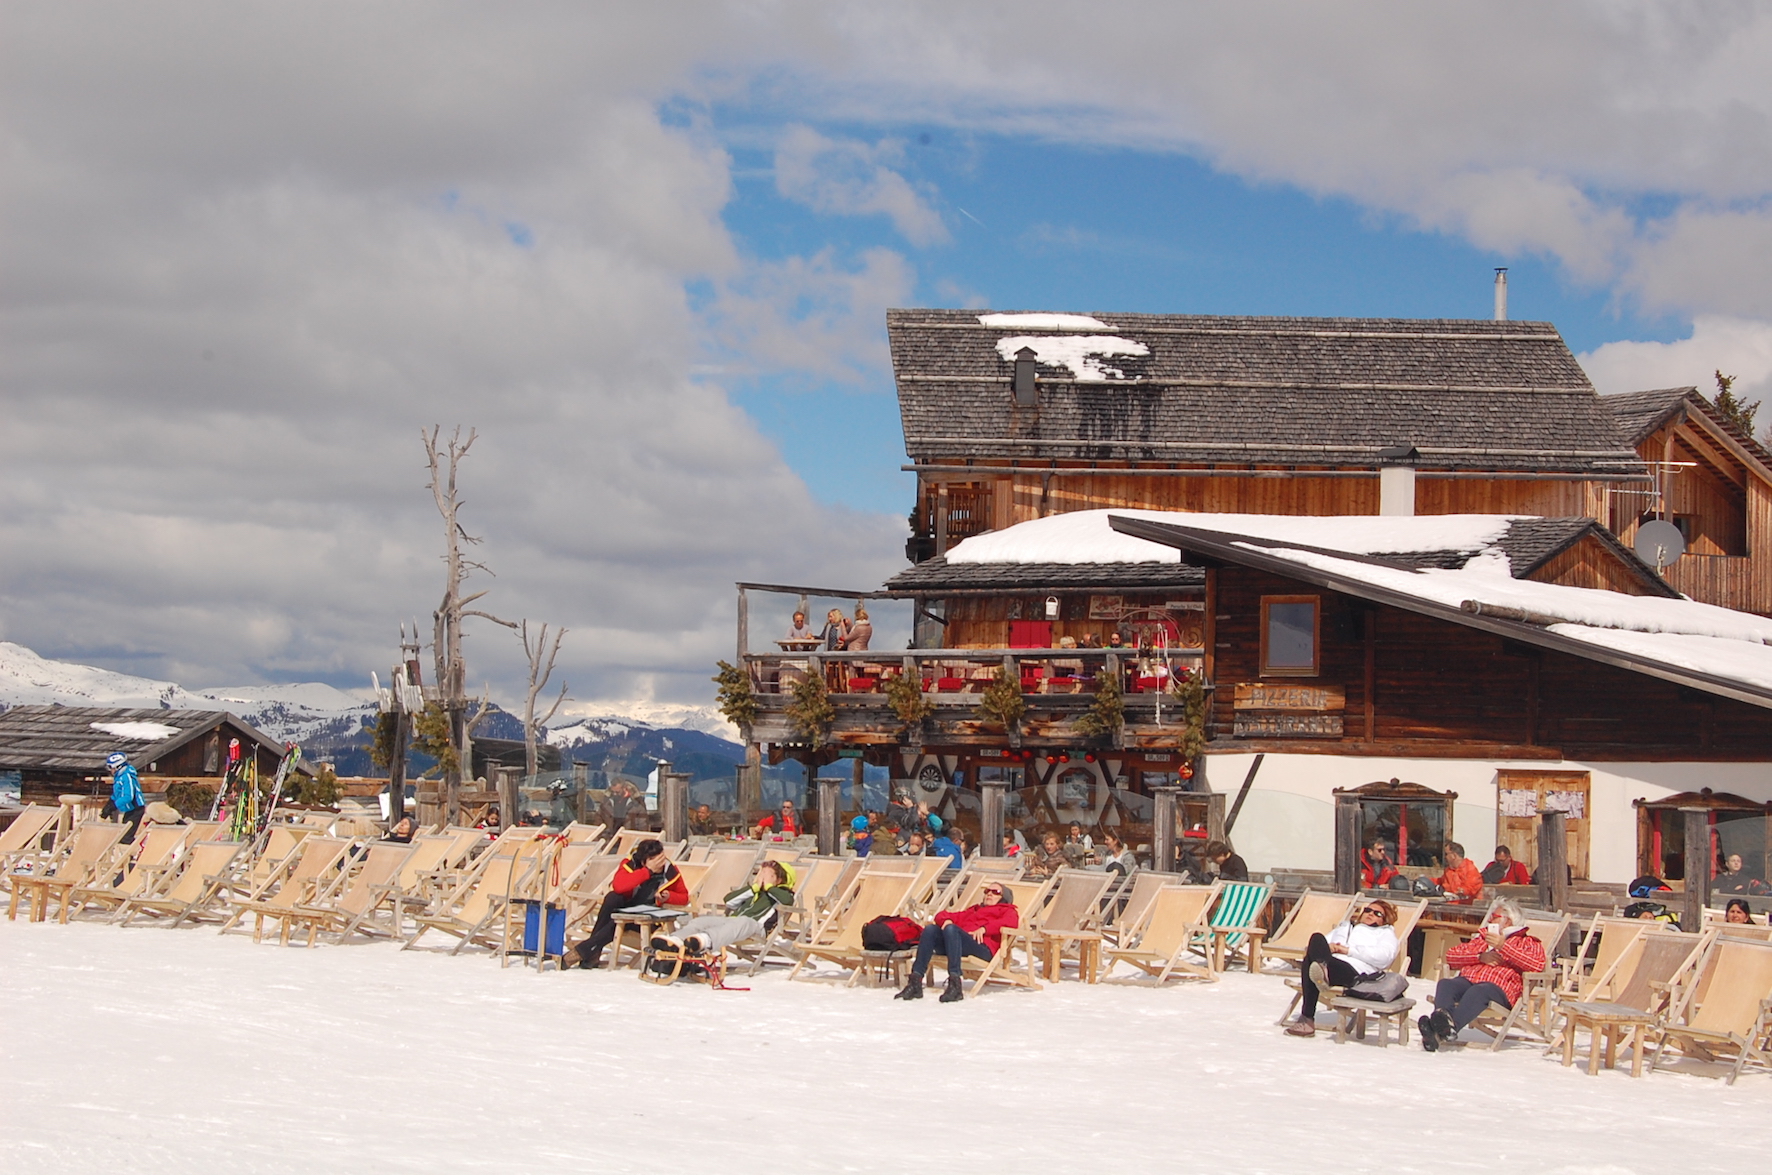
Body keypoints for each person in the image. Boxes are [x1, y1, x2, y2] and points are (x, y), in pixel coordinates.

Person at [1419, 900, 1546, 1051]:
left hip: (1499, 989)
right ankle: (1440, 1026)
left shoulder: (1527, 942)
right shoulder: (1482, 939)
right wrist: (1479, 957)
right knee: (1446, 984)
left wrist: (1503, 947)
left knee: (1479, 990)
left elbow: (1536, 964)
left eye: (1494, 916)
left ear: (1508, 922)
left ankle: (1447, 1027)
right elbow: (1451, 956)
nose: (1490, 920)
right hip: (1468, 981)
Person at [1285, 899, 1401, 1037]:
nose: (1370, 914)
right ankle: (1322, 970)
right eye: (1368, 910)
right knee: (1316, 938)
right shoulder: (1345, 927)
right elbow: (1318, 946)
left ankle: (1307, 1019)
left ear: (1385, 920)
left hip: (1355, 972)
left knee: (1310, 963)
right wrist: (1329, 947)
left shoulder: (1385, 933)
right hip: (1332, 963)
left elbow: (1384, 957)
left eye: (1377, 913)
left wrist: (1348, 951)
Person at [567, 839, 689, 970]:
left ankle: (583, 951)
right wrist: (647, 871)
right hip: (627, 908)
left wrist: (669, 897)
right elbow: (618, 886)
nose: (659, 862)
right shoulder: (631, 864)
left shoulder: (669, 871)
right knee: (612, 898)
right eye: (653, 859)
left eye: (660, 857)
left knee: (618, 921)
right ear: (643, 861)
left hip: (647, 918)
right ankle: (592, 952)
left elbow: (684, 897)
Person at [895, 881, 1019, 1003]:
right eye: (987, 891)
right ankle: (915, 981)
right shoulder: (974, 910)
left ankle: (955, 984)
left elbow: (1011, 923)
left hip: (982, 949)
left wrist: (985, 928)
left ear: (1004, 898)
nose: (989, 894)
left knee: (952, 929)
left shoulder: (1008, 911)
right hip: (957, 945)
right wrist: (946, 921)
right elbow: (941, 915)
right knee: (930, 929)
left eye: (995, 892)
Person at [657, 860, 796, 957]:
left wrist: (770, 887)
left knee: (743, 921)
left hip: (756, 927)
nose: (762, 878)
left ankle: (705, 940)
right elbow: (728, 901)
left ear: (779, 879)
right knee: (701, 922)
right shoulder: (755, 890)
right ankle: (676, 940)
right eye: (761, 873)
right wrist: (753, 889)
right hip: (732, 922)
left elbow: (787, 901)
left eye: (768, 875)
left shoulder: (784, 894)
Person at [106, 752, 146, 845]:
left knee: (126, 836)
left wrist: (114, 805)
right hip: (129, 809)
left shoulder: (127, 776)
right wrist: (109, 803)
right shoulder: (119, 777)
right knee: (123, 832)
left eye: (111, 767)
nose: (110, 770)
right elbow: (118, 793)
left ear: (118, 767)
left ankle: (131, 854)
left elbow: (128, 796)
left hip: (136, 808)